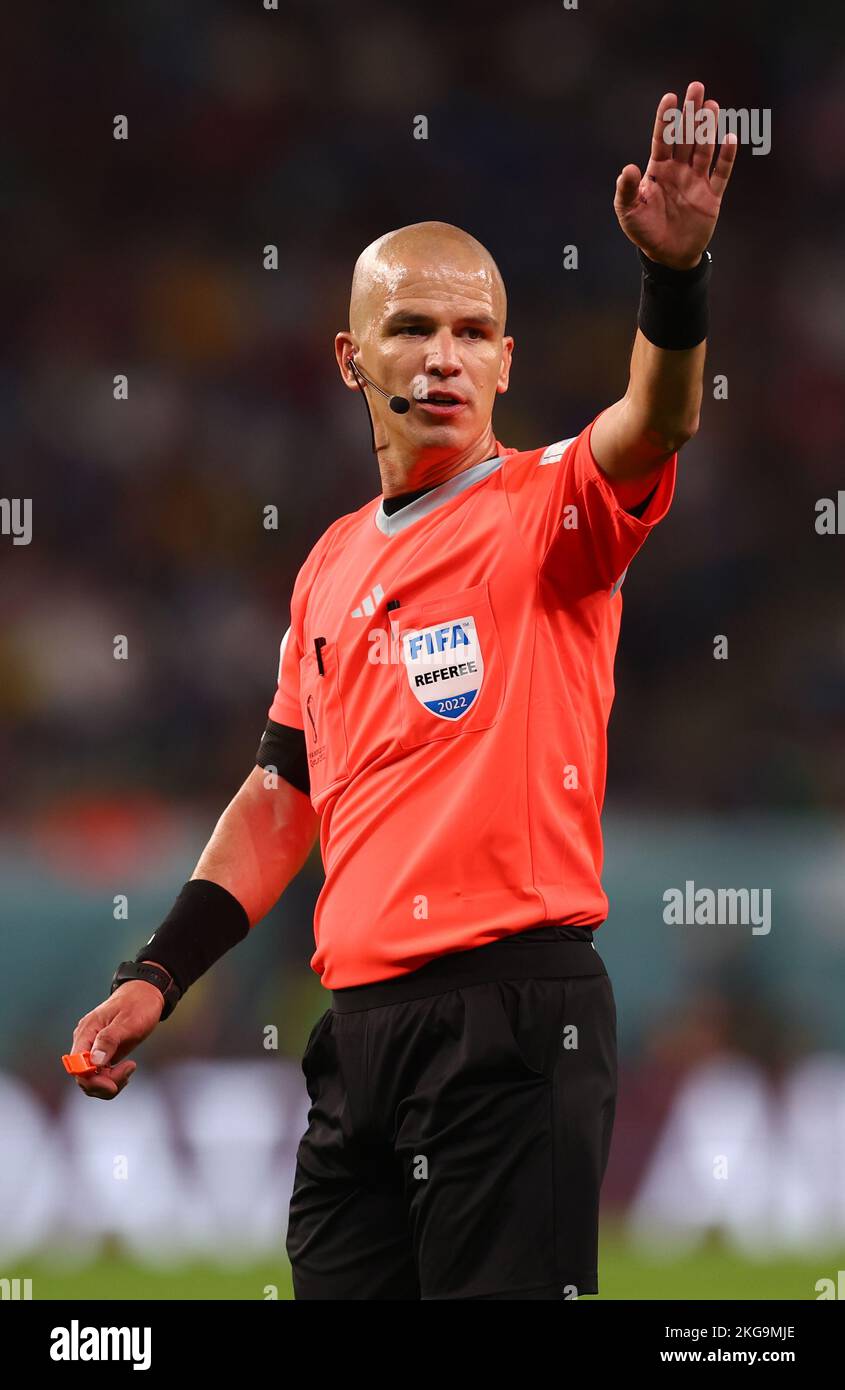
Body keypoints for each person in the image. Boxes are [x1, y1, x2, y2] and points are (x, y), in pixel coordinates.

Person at [69, 82, 736, 1300]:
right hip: (359, 1038)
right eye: (413, 327)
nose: (443, 357)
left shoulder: (548, 512)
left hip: (512, 1016)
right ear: (349, 357)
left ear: (505, 361)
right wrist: (153, 974)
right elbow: (282, 793)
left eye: (473, 333)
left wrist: (673, 281)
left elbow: (655, 419)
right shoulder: (327, 564)